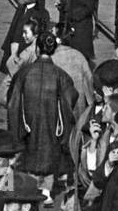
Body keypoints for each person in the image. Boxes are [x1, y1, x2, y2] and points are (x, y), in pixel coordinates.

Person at [7, 31, 78, 201]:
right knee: (50, 149)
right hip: (52, 123)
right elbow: (71, 98)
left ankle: (21, 185)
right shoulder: (61, 75)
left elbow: (12, 100)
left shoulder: (24, 73)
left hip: (27, 123)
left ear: (37, 49)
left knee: (25, 152)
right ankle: (47, 191)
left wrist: (15, 125)